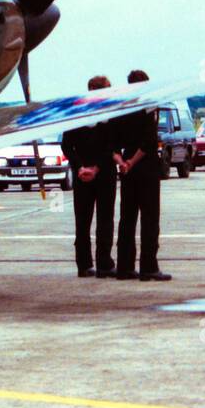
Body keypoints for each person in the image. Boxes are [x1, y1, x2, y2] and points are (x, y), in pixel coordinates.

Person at [111, 70, 171, 282]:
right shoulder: (148, 106)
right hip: (145, 167)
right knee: (149, 218)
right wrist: (133, 163)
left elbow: (112, 141)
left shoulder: (120, 108)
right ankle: (148, 267)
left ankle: (124, 267)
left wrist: (122, 163)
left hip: (126, 166)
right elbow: (148, 142)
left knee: (127, 218)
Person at [60, 75, 116, 278]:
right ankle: (103, 264)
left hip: (85, 174)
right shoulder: (110, 112)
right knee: (103, 219)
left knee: (83, 221)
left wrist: (80, 166)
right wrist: (94, 168)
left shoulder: (76, 112)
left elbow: (66, 145)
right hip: (102, 172)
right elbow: (112, 145)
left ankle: (84, 264)